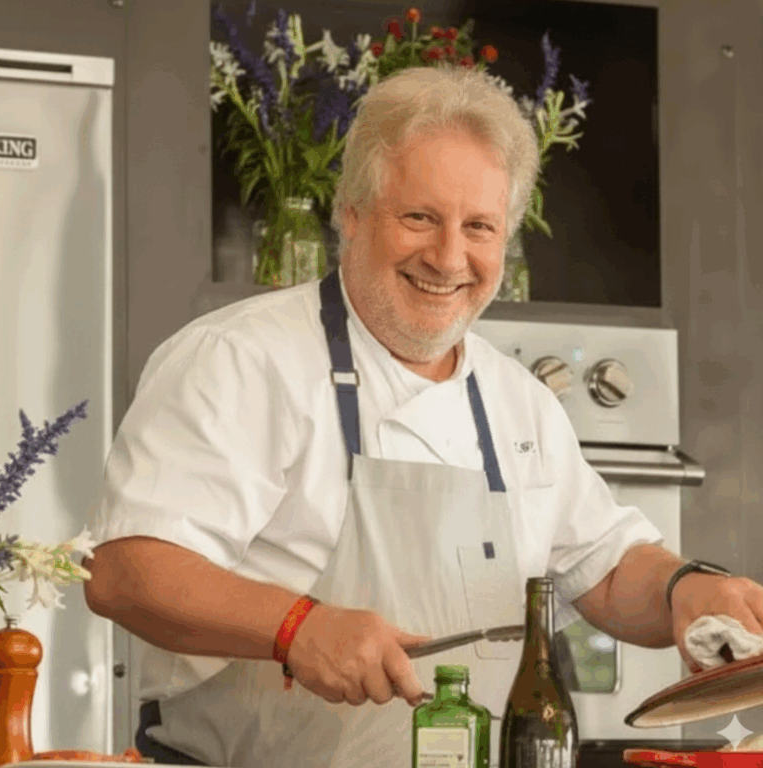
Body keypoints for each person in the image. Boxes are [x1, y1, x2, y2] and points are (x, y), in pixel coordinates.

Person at [85, 64, 763, 768]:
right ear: (351, 213)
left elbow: (609, 570)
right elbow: (128, 571)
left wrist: (690, 588)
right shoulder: (240, 360)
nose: (448, 258)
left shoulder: (515, 399)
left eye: (479, 227)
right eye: (419, 218)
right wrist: (297, 627)